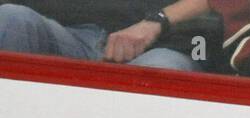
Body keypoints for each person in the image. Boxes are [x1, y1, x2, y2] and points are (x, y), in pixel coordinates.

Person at [0, 0, 216, 71]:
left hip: (165, 44)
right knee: (10, 18)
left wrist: (158, 21)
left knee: (159, 69)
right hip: (70, 34)